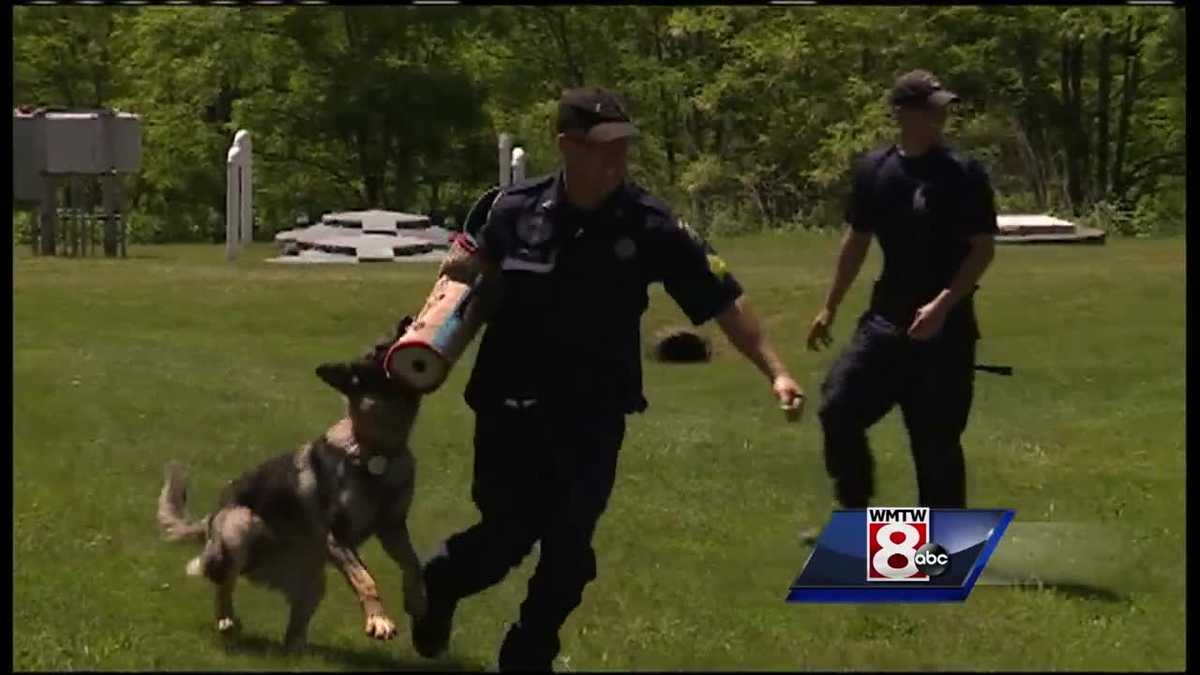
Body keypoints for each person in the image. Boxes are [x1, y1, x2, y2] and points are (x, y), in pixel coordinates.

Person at [412, 87, 805, 671]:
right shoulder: (513, 210)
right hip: (509, 406)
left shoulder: (650, 224)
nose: (616, 159)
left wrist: (777, 371)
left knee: (570, 549)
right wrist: (426, 340)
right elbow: (468, 292)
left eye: (623, 146)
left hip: (593, 412)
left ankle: (528, 654)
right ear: (567, 146)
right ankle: (441, 584)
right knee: (505, 541)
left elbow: (722, 297)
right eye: (602, 147)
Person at [805, 69, 998, 512]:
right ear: (902, 114)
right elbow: (856, 241)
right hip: (886, 325)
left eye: (942, 109)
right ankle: (856, 511)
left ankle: (941, 555)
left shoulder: (963, 174)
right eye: (930, 109)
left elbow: (982, 250)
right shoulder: (875, 170)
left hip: (945, 334)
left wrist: (943, 305)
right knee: (838, 407)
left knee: (936, 448)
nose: (940, 117)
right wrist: (829, 307)